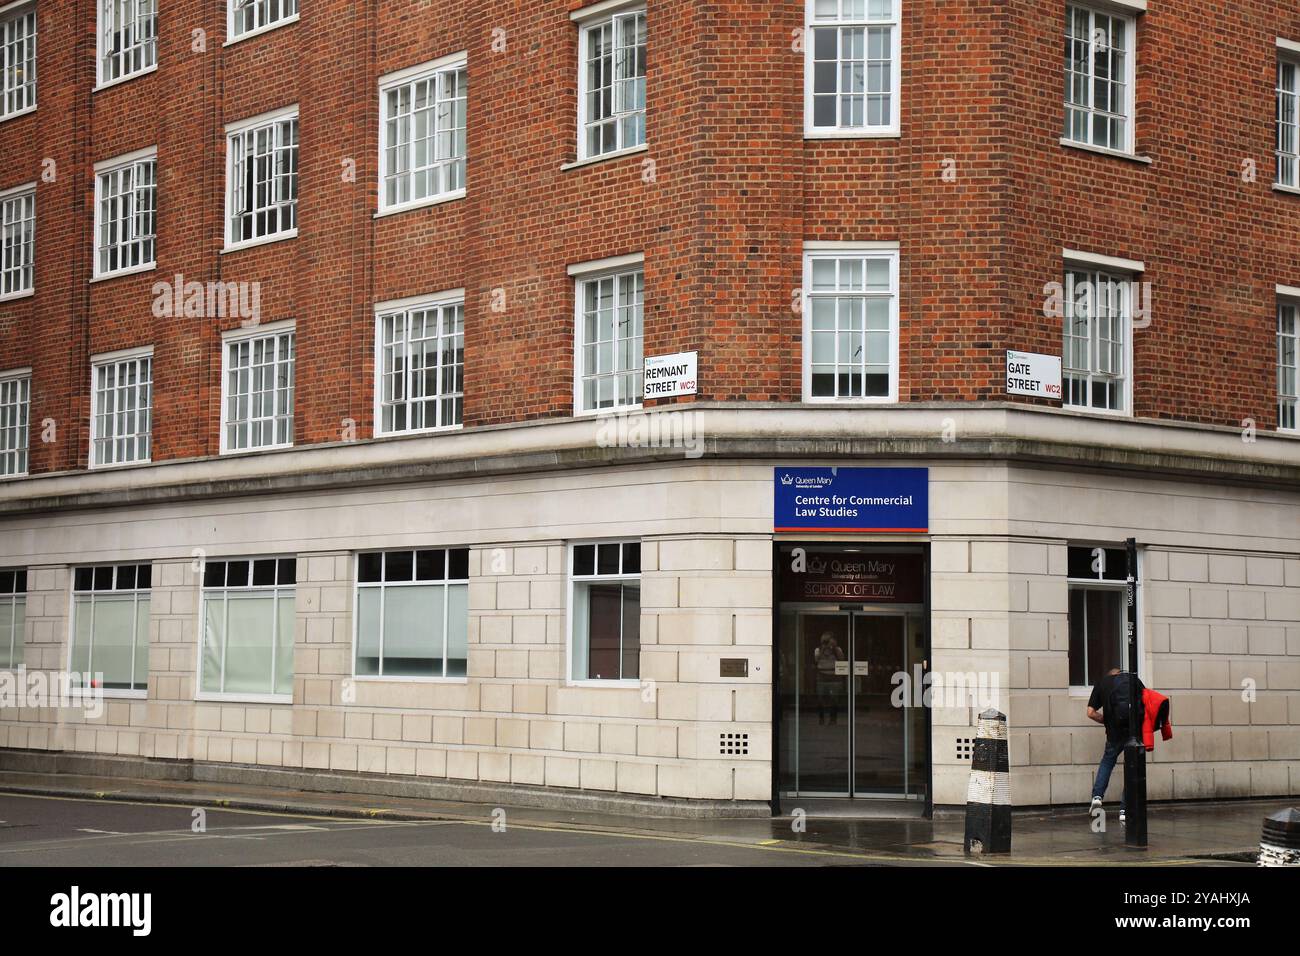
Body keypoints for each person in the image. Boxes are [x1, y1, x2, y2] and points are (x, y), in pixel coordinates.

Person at [1086, 666, 1144, 826]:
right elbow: (1146, 705)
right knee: (1131, 767)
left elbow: (1090, 712)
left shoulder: (1102, 683)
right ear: (1120, 673)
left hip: (1114, 733)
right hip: (1133, 732)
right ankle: (1124, 811)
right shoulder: (1134, 681)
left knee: (1108, 761)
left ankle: (1097, 797)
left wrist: (1107, 721)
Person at [813, 632, 845, 726]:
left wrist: (834, 648)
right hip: (822, 677)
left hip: (834, 677)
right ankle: (821, 718)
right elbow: (816, 660)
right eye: (825, 641)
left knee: (834, 699)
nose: (827, 644)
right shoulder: (818, 650)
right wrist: (823, 649)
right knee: (820, 699)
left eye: (828, 641)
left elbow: (842, 659)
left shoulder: (837, 649)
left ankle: (833, 719)